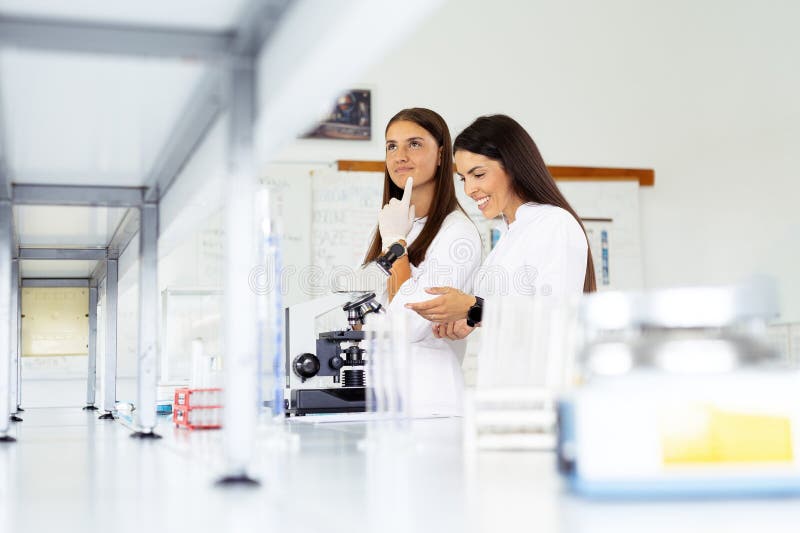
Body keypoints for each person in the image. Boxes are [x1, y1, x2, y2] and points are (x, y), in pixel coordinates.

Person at [404, 114, 596, 339]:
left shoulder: (555, 224)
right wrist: (470, 319)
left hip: (542, 374)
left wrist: (474, 308)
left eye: (478, 174)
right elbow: (508, 313)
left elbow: (557, 320)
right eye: (464, 179)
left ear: (513, 166)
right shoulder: (508, 236)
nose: (469, 190)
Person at [362, 108, 482, 416]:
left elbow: (409, 321)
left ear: (442, 155)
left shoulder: (458, 234)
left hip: (430, 397)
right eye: (391, 146)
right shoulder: (397, 225)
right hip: (385, 393)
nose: (400, 155)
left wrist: (395, 245)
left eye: (414, 144)